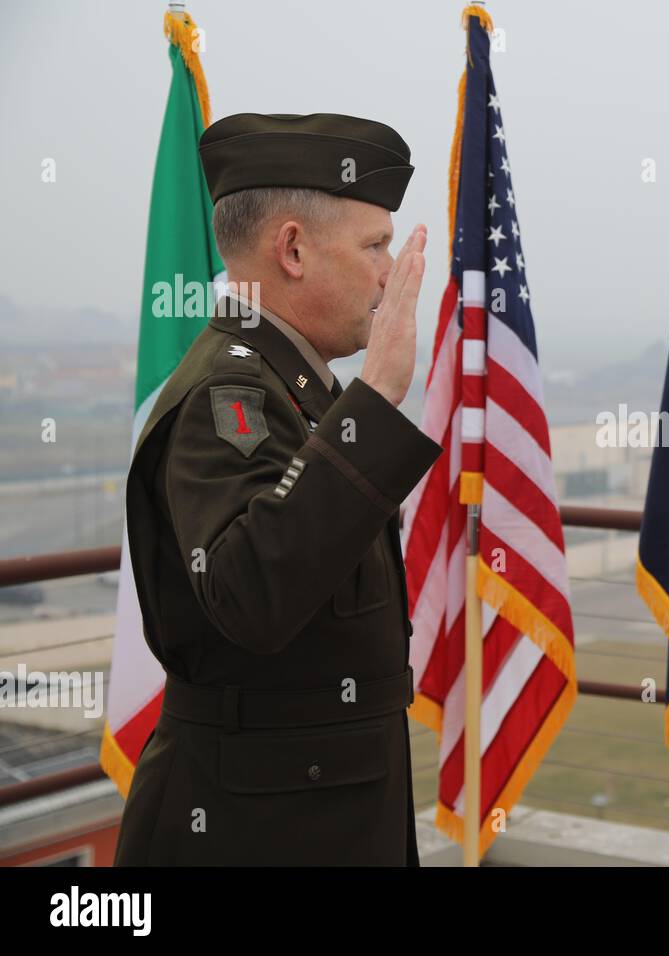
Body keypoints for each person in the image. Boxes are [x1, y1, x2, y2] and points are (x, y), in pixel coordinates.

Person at [114, 113, 441, 865]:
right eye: (375, 246)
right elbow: (251, 590)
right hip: (253, 831)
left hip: (312, 813)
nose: (391, 272)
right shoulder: (229, 395)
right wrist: (379, 395)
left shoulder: (289, 386)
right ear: (292, 249)